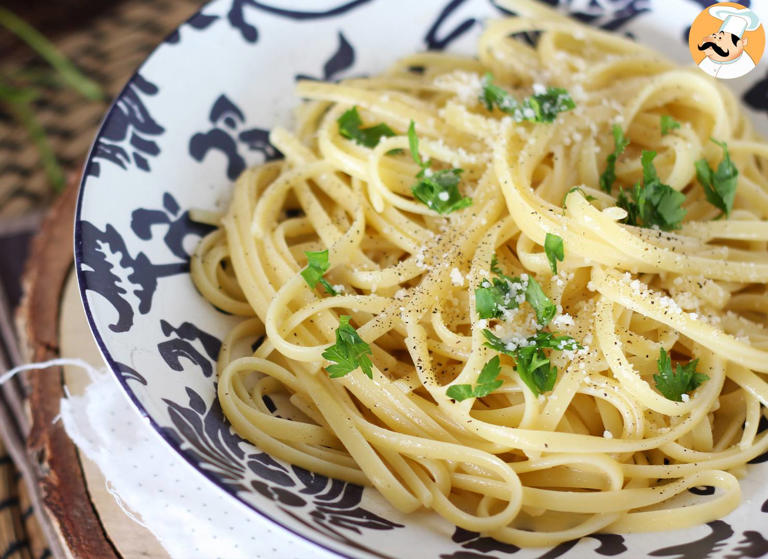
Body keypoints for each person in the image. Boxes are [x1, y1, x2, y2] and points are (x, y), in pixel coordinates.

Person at [697, 5, 760, 79]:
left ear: (740, 43)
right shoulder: (707, 59)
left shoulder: (743, 65)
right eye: (715, 36)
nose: (714, 43)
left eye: (720, 38)